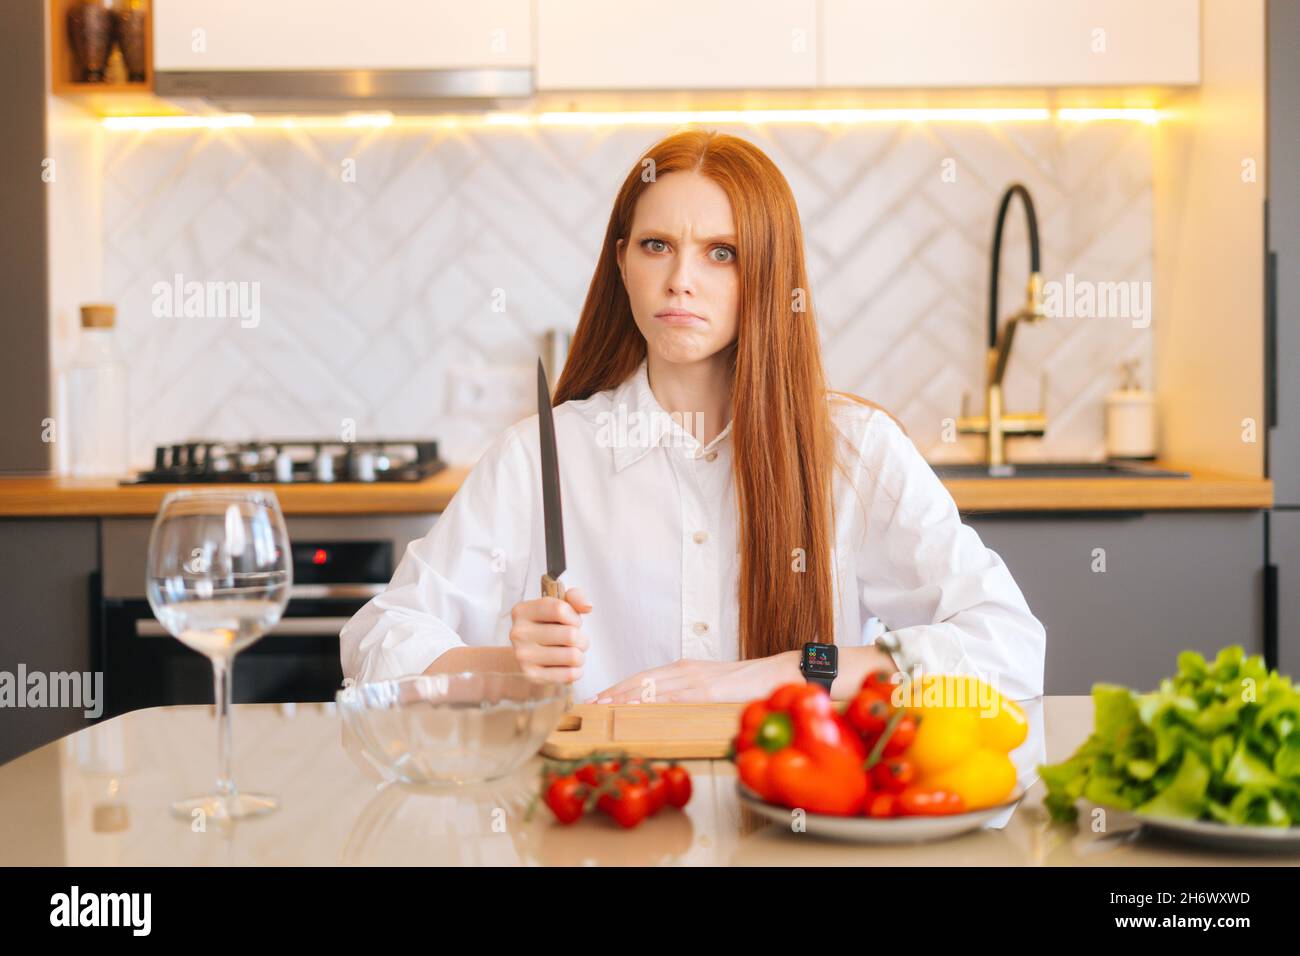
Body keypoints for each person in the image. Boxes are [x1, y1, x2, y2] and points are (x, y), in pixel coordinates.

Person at [340, 129, 1046, 704]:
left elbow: (1007, 650)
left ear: (769, 275)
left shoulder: (855, 452)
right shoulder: (541, 456)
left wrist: (786, 672)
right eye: (657, 246)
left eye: (722, 253)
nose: (681, 278)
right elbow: (378, 642)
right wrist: (505, 665)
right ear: (622, 263)